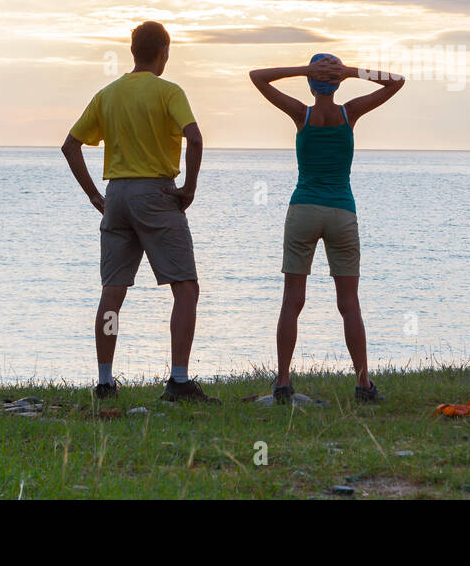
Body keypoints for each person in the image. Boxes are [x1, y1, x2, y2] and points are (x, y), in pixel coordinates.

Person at [61, 21, 217, 404]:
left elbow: (70, 146)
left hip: (116, 195)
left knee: (113, 291)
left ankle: (104, 380)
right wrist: (189, 189)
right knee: (185, 287)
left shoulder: (108, 94)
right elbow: (194, 137)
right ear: (164, 52)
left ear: (133, 51)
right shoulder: (168, 91)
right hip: (156, 194)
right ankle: (178, 380)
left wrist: (96, 197)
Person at [249, 54, 404, 404]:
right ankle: (363, 385)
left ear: (311, 83)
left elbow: (258, 76)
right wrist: (352, 72)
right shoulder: (349, 114)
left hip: (303, 209)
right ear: (336, 84)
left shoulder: (301, 114)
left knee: (292, 300)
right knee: (349, 303)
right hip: (341, 212)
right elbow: (397, 81)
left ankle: (283, 382)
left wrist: (305, 70)